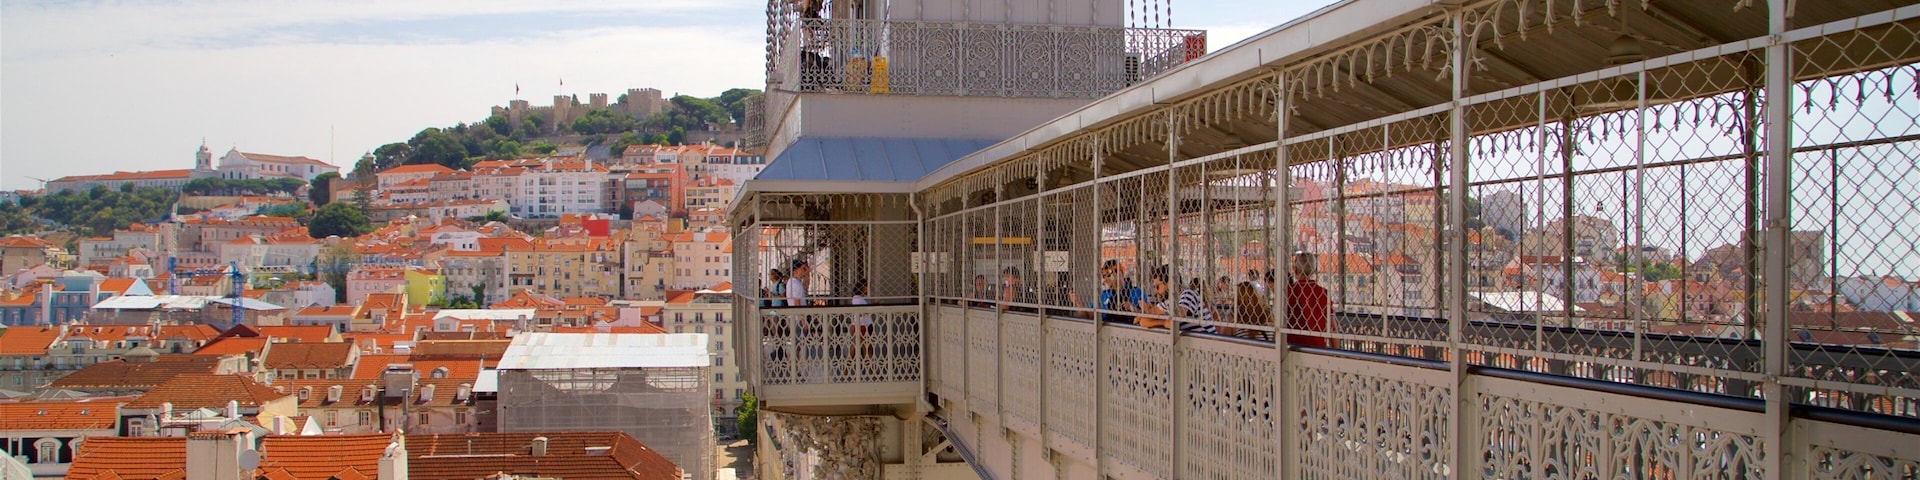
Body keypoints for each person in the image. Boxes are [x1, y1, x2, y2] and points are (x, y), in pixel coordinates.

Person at [1285, 251, 1332, 348]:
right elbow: (1332, 326)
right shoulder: (1323, 293)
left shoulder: (1288, 292)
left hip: (1293, 347)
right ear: (1313, 270)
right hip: (1318, 347)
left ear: (1295, 270)